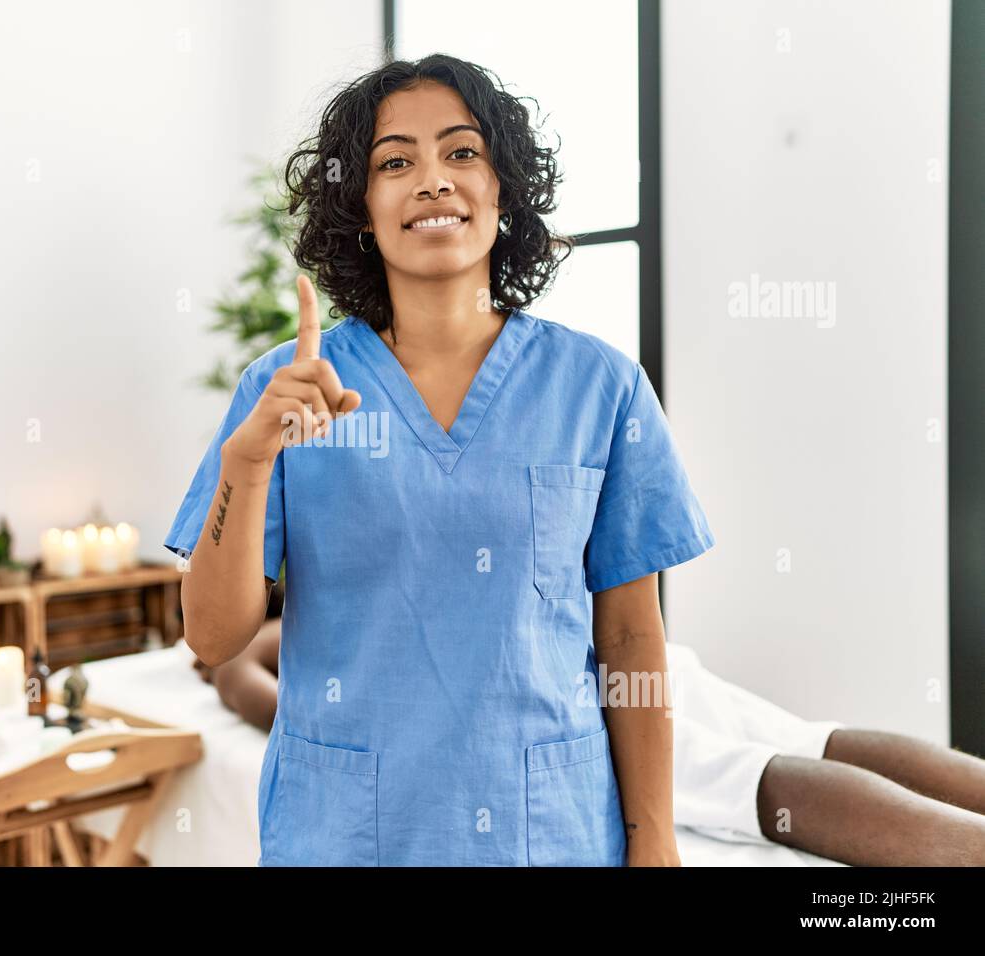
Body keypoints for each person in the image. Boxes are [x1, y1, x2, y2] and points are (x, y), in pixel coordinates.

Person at [165, 53, 715, 866]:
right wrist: (246, 467)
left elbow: (631, 639)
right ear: (361, 206)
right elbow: (213, 640)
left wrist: (655, 836)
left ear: (505, 191)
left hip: (548, 831)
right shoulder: (283, 391)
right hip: (344, 835)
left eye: (462, 153)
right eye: (396, 162)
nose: (432, 181)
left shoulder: (601, 388)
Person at [193, 624, 985, 866]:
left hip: (569, 698)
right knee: (817, 741)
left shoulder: (307, 626)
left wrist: (224, 661)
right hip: (630, 661)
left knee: (754, 784)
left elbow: (247, 685)